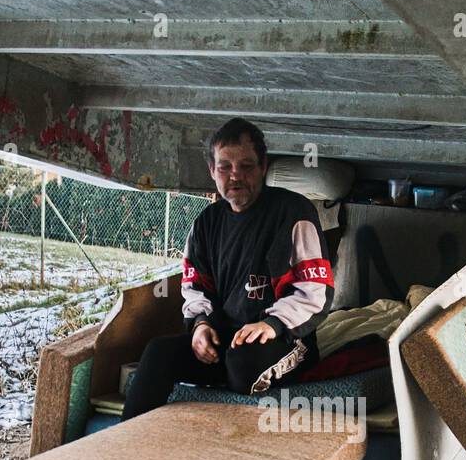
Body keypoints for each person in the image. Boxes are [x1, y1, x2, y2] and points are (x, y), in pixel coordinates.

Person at [121, 118, 334, 419]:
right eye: (225, 167)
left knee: (242, 366)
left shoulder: (294, 213)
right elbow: (195, 289)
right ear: (212, 171)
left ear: (263, 167)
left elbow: (316, 292)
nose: (236, 176)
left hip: (284, 338)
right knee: (158, 352)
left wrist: (271, 325)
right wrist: (201, 327)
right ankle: (125, 447)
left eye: (246, 166)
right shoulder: (205, 224)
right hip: (226, 339)